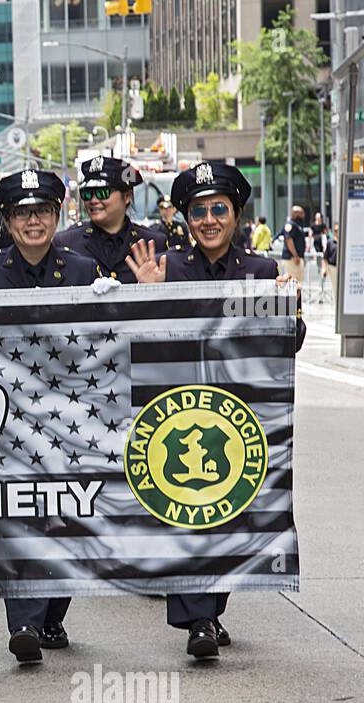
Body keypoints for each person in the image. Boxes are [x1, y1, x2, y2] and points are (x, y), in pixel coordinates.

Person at [126, 161, 306, 660]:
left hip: (239, 418)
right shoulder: (166, 268)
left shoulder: (263, 272)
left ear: (237, 214)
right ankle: (199, 619)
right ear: (186, 218)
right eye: (198, 211)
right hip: (174, 414)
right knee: (183, 512)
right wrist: (147, 299)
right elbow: (136, 342)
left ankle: (209, 611)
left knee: (230, 516)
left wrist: (289, 312)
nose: (208, 220)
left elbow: (289, 344)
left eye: (218, 210)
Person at [0, 168, 100, 664]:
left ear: (57, 215)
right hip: (7, 420)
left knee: (66, 517)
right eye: (23, 214)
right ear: (7, 222)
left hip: (70, 416)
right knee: (19, 516)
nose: (34, 222)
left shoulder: (83, 271)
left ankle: (51, 618)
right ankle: (25, 624)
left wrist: (110, 301)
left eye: (42, 212)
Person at [57, 156, 166, 283]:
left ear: (127, 197)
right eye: (87, 194)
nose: (93, 201)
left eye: (102, 193)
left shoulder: (152, 243)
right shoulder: (67, 242)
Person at [282, 204, 307, 283]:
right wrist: (295, 256)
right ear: (296, 214)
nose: (303, 216)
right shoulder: (290, 225)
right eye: (301, 213)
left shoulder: (297, 225)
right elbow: (289, 240)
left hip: (297, 258)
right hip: (292, 259)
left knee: (298, 283)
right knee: (292, 283)